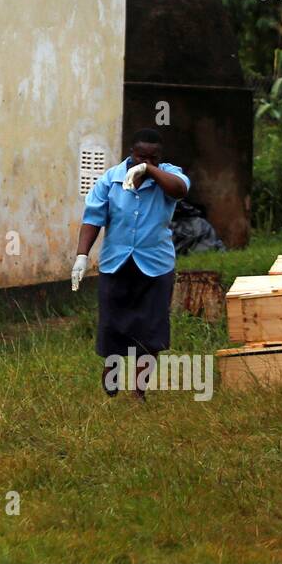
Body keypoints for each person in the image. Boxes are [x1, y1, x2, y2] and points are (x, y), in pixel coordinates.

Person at [70, 129, 189, 399]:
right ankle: (111, 372)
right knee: (113, 327)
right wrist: (81, 255)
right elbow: (93, 218)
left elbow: (180, 191)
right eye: (140, 156)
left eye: (153, 157)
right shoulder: (109, 180)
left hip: (155, 265)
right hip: (117, 264)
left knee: (151, 331)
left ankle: (138, 391)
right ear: (130, 153)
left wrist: (149, 170)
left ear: (160, 158)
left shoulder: (169, 177)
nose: (145, 161)